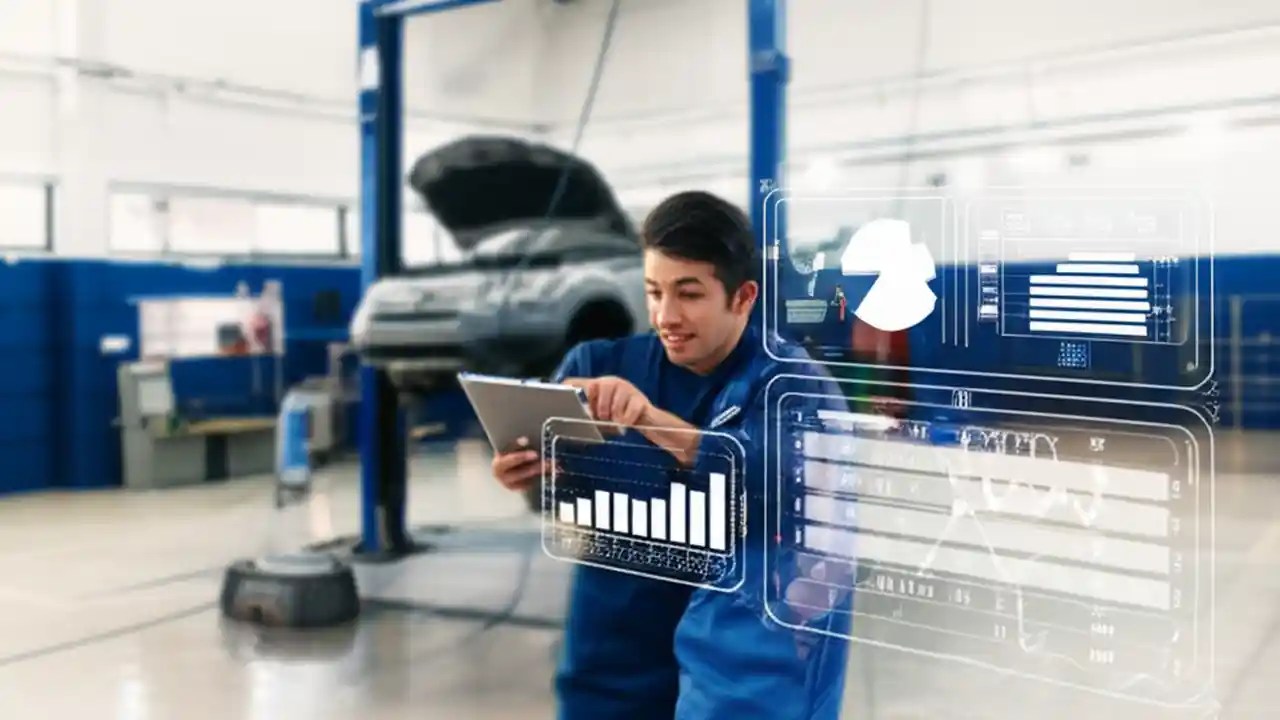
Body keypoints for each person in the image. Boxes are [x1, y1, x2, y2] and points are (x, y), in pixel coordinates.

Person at [492, 191, 851, 719]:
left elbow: (774, 483)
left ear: (743, 297)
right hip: (610, 662)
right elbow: (562, 494)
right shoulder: (595, 366)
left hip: (736, 673)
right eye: (654, 291)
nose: (666, 315)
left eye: (689, 294)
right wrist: (528, 473)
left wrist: (650, 420)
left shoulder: (790, 384)